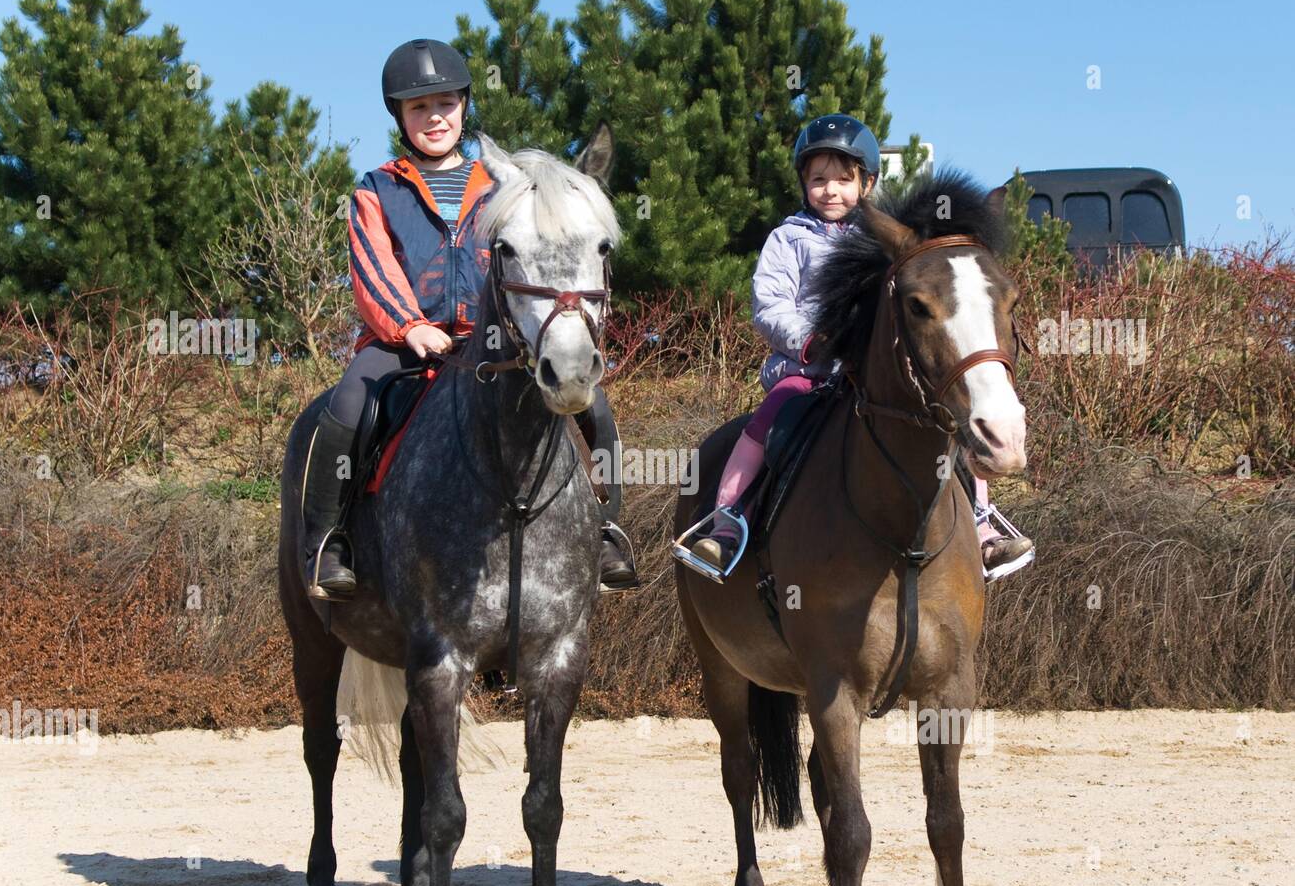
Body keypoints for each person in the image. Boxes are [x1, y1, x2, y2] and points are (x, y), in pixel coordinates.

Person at [300, 38, 637, 599]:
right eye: (418, 108)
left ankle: (606, 530)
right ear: (400, 117)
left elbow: (534, 255)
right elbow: (372, 270)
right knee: (348, 404)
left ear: (463, 106)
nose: (434, 117)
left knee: (594, 405)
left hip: (494, 340)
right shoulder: (378, 189)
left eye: (445, 104)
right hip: (402, 342)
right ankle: (328, 542)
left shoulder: (501, 185)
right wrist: (411, 327)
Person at [687, 113, 1034, 580]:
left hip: (863, 374)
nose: (831, 190)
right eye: (818, 180)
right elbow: (769, 306)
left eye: (843, 180)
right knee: (769, 420)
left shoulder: (881, 239)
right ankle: (727, 522)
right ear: (804, 184)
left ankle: (981, 524)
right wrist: (811, 341)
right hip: (804, 371)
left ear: (866, 184)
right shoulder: (787, 239)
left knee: (944, 424)